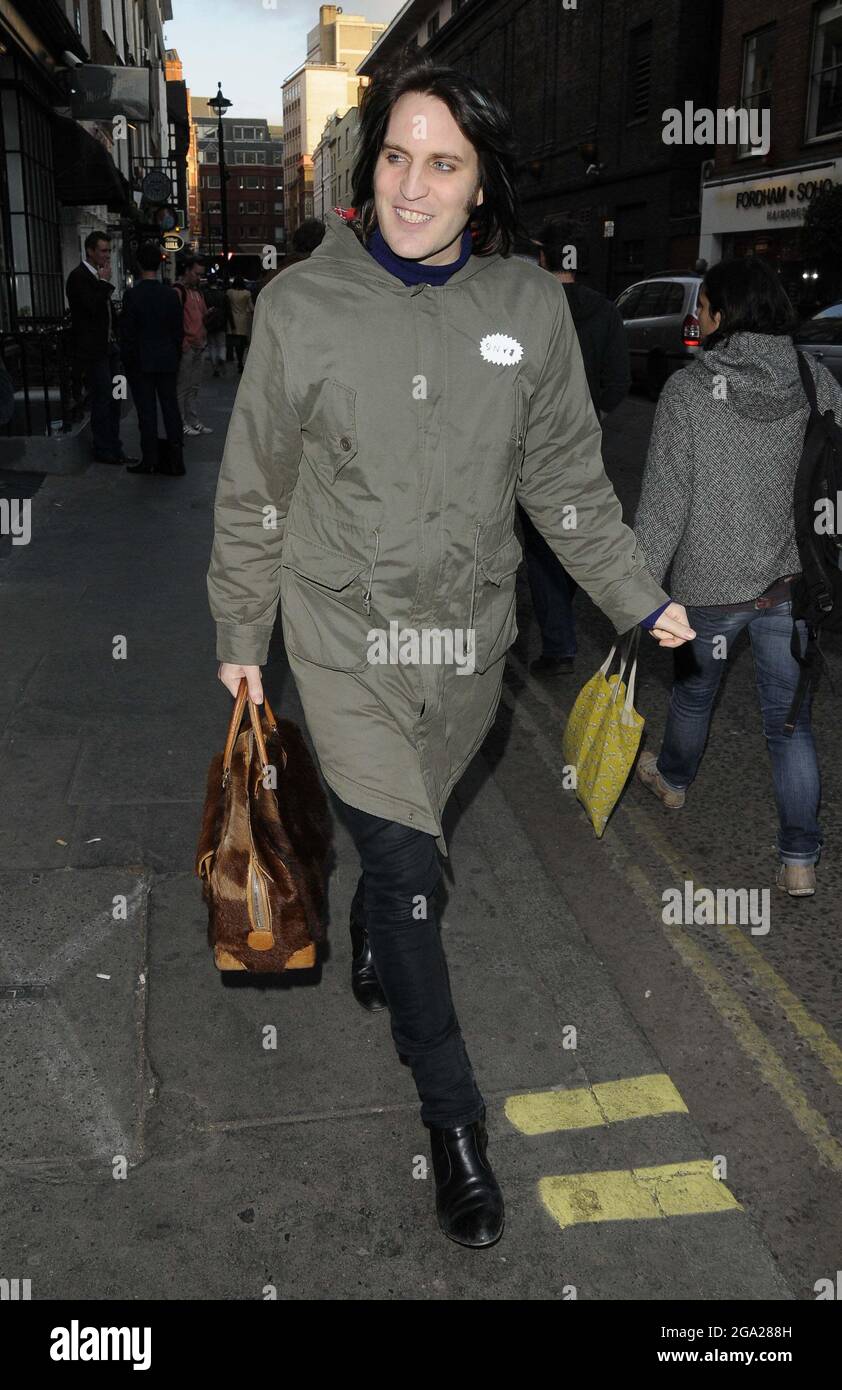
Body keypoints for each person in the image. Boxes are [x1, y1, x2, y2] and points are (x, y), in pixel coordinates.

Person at [206, 53, 693, 1249]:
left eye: (443, 164)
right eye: (393, 157)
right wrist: (240, 629)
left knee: (401, 861)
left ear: (481, 187)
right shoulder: (301, 309)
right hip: (341, 642)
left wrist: (637, 597)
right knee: (415, 881)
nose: (410, 187)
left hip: (467, 650)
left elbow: (565, 486)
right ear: (367, 165)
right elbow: (255, 486)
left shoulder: (526, 311)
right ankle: (455, 1123)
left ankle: (381, 904)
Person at [634, 255, 842, 898]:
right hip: (790, 584)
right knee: (790, 723)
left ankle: (671, 782)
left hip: (711, 590)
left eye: (702, 307)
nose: (695, 317)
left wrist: (636, 592)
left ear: (723, 315)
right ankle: (800, 859)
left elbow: (665, 506)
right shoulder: (817, 384)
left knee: (694, 696)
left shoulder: (691, 391)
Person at [519, 217, 632, 677]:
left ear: (544, 257)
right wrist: (593, 416)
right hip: (581, 449)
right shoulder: (604, 311)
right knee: (568, 535)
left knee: (542, 546)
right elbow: (619, 380)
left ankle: (559, 645)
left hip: (535, 446)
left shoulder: (529, 308)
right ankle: (558, 626)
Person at [65, 231, 137, 466]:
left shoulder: (96, 276)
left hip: (110, 348)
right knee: (103, 398)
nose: (107, 255)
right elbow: (90, 308)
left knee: (118, 396)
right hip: (95, 352)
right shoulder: (79, 277)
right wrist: (104, 283)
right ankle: (104, 449)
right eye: (104, 251)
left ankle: (115, 447)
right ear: (90, 251)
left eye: (109, 250)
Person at [119, 241, 185, 476]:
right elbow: (178, 331)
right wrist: (175, 355)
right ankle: (176, 459)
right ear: (159, 264)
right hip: (166, 358)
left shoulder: (132, 296)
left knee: (146, 411)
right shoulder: (170, 295)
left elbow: (127, 333)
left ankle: (150, 459)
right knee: (170, 408)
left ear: (138, 265)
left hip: (142, 361)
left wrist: (129, 361)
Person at [174, 255, 211, 436]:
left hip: (198, 344)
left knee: (194, 387)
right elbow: (173, 319)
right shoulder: (179, 291)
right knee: (183, 387)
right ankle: (181, 422)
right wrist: (184, 343)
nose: (199, 278)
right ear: (187, 271)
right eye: (197, 274)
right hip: (189, 345)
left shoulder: (197, 292)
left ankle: (192, 420)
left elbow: (203, 315)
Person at [225, 276, 254, 372]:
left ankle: (232, 358)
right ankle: (240, 361)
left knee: (233, 341)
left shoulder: (229, 292)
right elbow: (251, 307)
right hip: (243, 320)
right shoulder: (247, 293)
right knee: (241, 343)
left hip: (232, 319)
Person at [202, 276, 229, 378]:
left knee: (212, 345)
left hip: (209, 323)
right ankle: (222, 357)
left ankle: (215, 367)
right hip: (221, 322)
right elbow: (227, 310)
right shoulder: (223, 294)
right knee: (221, 344)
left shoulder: (205, 294)